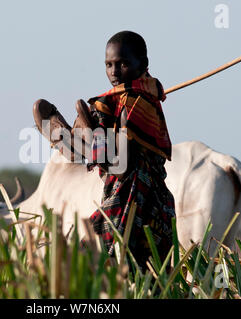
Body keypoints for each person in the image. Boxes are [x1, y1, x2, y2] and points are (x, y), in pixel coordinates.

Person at [33, 30, 175, 273]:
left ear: (143, 64)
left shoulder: (137, 103)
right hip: (124, 195)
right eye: (109, 65)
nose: (114, 72)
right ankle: (79, 141)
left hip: (137, 201)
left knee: (96, 257)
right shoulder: (124, 99)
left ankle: (83, 142)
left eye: (123, 64)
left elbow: (122, 164)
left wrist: (97, 134)